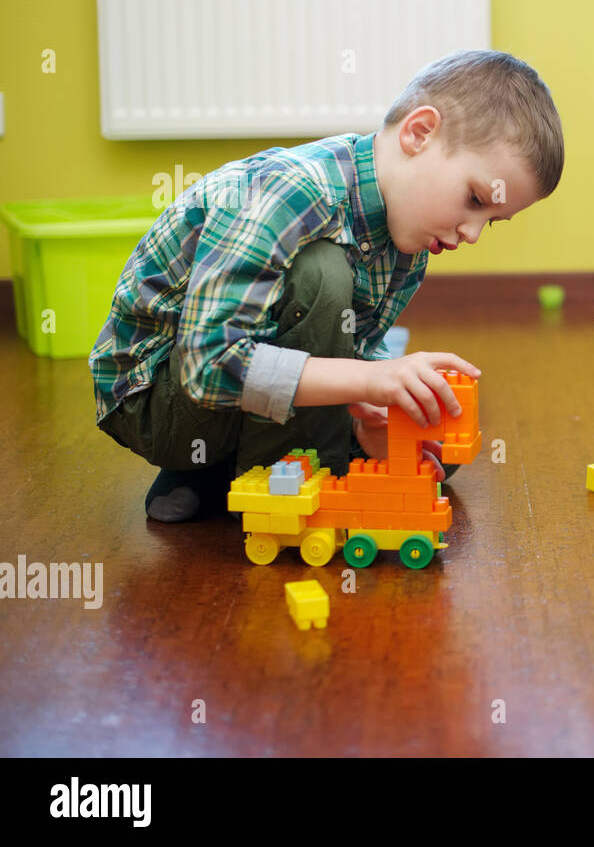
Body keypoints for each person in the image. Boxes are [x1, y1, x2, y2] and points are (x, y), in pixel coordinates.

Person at [91, 50, 564, 522]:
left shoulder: (412, 243)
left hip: (241, 394)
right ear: (419, 133)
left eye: (492, 220)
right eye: (475, 199)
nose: (472, 233)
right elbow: (208, 365)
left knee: (433, 445)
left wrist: (373, 413)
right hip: (160, 398)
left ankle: (220, 471)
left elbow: (350, 347)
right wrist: (370, 381)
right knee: (321, 271)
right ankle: (259, 478)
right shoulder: (291, 190)